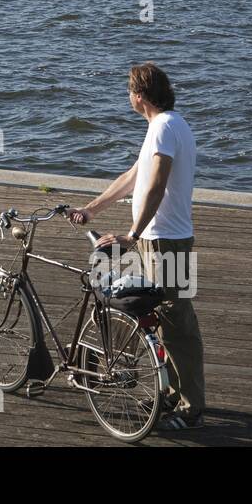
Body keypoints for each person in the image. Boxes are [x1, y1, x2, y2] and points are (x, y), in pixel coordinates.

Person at [69, 62, 205, 431]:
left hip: (167, 241)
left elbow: (157, 185)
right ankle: (171, 395)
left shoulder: (164, 127)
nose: (128, 97)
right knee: (159, 318)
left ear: (139, 95)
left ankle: (191, 409)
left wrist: (132, 233)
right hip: (155, 238)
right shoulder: (163, 126)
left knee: (178, 323)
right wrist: (91, 209)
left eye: (129, 91)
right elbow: (134, 177)